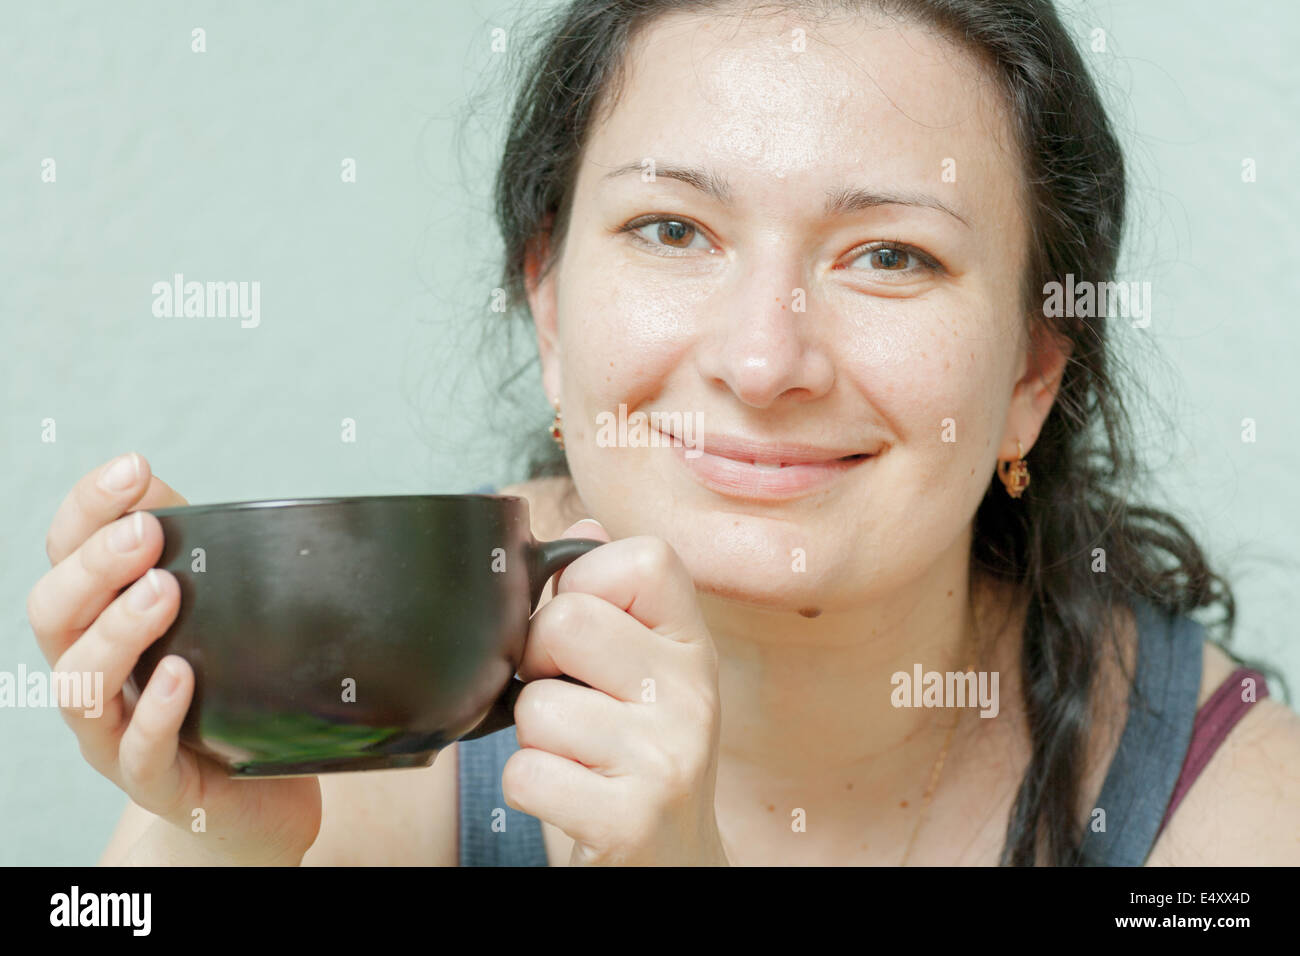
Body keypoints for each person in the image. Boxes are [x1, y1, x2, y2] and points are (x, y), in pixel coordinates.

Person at [29, 0, 1300, 866]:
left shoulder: (1228, 814)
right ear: (549, 306)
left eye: (890, 254)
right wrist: (218, 850)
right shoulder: (386, 710)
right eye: (673, 230)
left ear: (1032, 369)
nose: (762, 359)